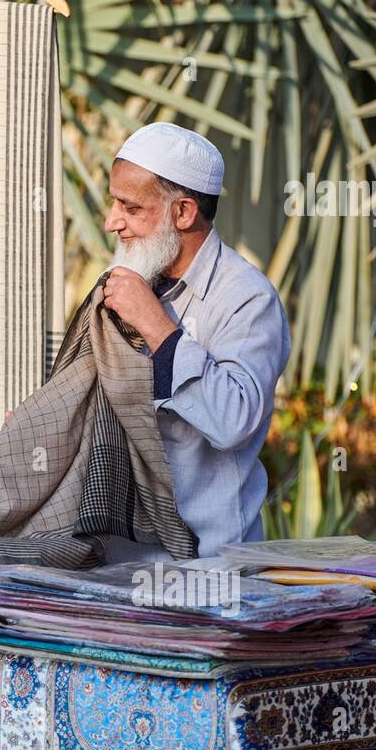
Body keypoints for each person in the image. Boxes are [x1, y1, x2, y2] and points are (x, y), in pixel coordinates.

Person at [101, 122, 290, 558]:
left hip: (210, 568)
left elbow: (233, 422)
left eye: (130, 207)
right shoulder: (130, 282)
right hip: (117, 562)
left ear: (183, 213)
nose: (113, 222)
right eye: (113, 202)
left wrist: (158, 328)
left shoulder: (248, 298)